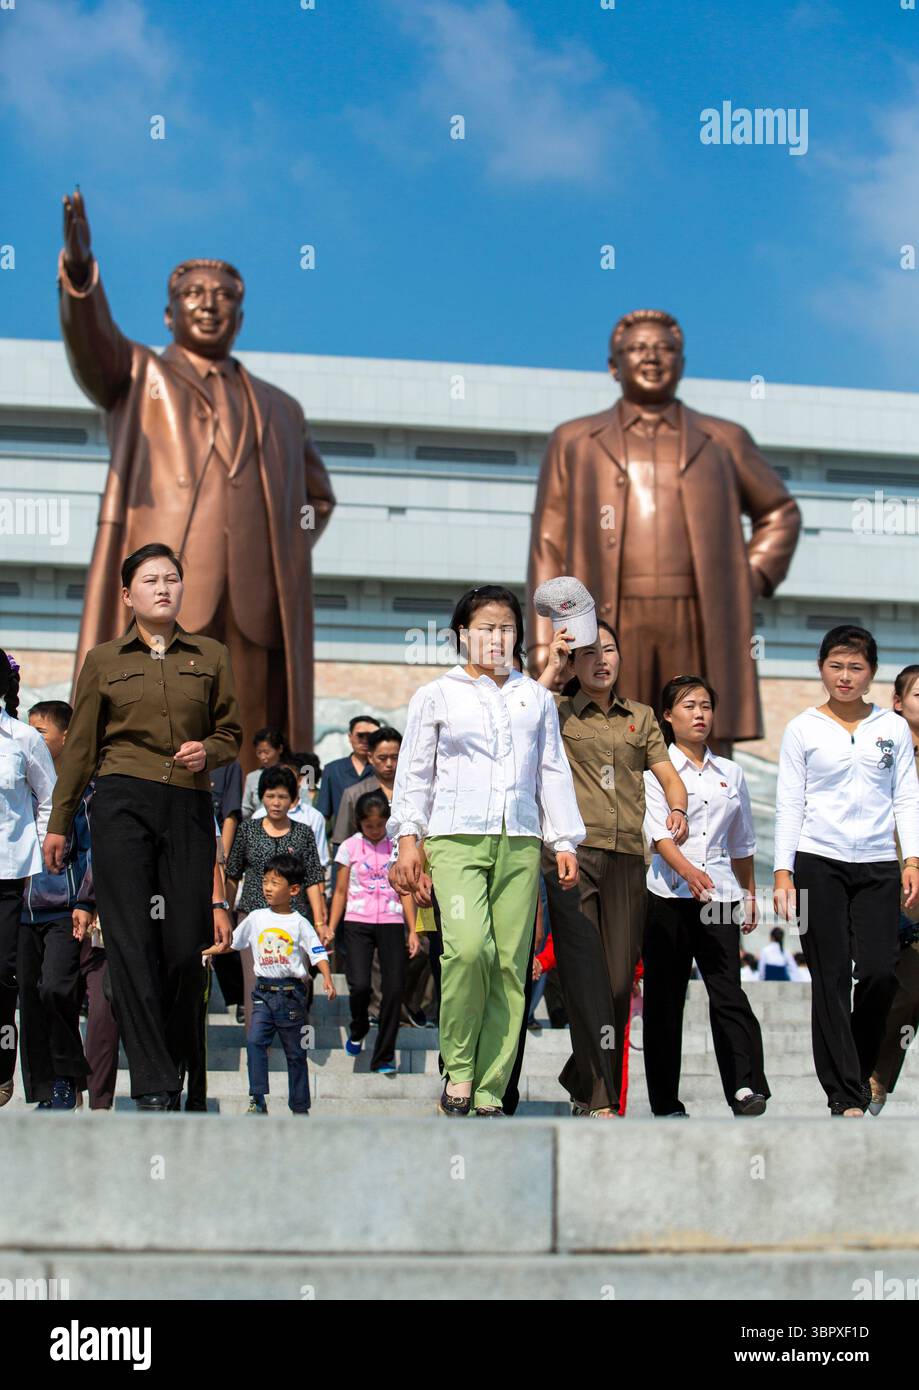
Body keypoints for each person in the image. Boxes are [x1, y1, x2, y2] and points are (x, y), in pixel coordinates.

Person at [43, 543, 242, 1112]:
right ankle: (154, 1083)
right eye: (150, 580)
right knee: (129, 944)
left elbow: (232, 732)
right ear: (128, 594)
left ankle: (174, 1060)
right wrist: (60, 821)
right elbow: (80, 747)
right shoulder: (104, 660)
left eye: (172, 578)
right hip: (120, 802)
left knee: (182, 948)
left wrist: (210, 750)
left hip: (186, 803)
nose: (163, 587)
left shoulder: (212, 654)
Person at [389, 584, 584, 1117]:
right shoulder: (436, 695)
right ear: (462, 636)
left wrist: (563, 840)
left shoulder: (535, 697)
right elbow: (415, 773)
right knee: (469, 949)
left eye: (506, 628)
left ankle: (491, 1090)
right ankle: (458, 1068)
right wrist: (409, 839)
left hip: (520, 842)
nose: (496, 638)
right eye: (486, 628)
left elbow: (551, 771)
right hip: (453, 838)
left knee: (508, 965)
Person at [537, 606, 689, 1116]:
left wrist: (677, 806)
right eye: (588, 653)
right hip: (571, 858)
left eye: (609, 650)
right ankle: (597, 1096)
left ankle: (581, 1071)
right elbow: (521, 712)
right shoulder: (553, 709)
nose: (602, 660)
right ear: (573, 661)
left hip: (627, 860)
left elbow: (668, 772)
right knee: (586, 980)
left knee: (620, 981)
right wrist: (553, 664)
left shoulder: (642, 717)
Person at [773, 626, 919, 1117]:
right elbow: (790, 801)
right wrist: (782, 871)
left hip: (878, 864)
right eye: (836, 666)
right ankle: (843, 1092)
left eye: (856, 667)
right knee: (830, 977)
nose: (845, 676)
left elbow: (906, 798)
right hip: (818, 863)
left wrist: (911, 860)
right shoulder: (802, 729)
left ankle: (854, 1066)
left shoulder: (892, 729)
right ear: (821, 669)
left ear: (872, 674)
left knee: (879, 973)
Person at [642, 674, 769, 1117]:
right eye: (689, 706)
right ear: (668, 716)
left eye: (706, 706)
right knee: (664, 999)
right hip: (667, 896)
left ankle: (745, 1087)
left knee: (727, 991)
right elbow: (658, 833)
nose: (699, 714)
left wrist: (750, 894)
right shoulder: (656, 771)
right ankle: (665, 1102)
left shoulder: (730, 773)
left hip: (720, 896)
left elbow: (743, 842)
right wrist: (687, 871)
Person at [213, 853, 335, 1114]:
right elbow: (232, 943)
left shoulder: (299, 922)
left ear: (293, 890)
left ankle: (300, 1107)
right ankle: (257, 1098)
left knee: (296, 1053)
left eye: (275, 883)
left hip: (291, 996)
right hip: (263, 994)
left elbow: (317, 952)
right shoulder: (256, 917)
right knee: (255, 1041)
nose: (267, 887)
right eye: (265, 881)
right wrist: (207, 952)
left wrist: (326, 977)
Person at [19, 701, 93, 1110]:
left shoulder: (79, 793)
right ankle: (45, 1090)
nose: (34, 737)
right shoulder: (18, 788)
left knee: (56, 989)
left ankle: (68, 1076)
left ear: (66, 737)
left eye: (42, 731)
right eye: (29, 729)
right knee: (28, 996)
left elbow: (92, 852)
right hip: (19, 908)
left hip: (63, 908)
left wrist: (85, 900)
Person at [324, 790, 420, 1075]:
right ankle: (359, 1025)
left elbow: (405, 891)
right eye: (369, 826)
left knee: (393, 989)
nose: (375, 831)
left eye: (380, 825)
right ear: (359, 823)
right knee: (361, 985)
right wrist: (330, 926)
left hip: (391, 922)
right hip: (357, 922)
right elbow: (340, 891)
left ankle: (384, 1056)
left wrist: (413, 930)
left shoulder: (395, 847)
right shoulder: (349, 847)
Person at [226, 764, 326, 1034]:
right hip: (254, 917)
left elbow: (314, 878)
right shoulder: (247, 831)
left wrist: (320, 922)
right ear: (262, 797)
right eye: (270, 796)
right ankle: (257, 1042)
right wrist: (223, 913)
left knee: (296, 979)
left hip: (294, 919)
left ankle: (295, 1037)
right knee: (253, 982)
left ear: (294, 799)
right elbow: (232, 874)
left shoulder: (303, 832)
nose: (276, 802)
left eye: (283, 796)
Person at [0, 654, 57, 1108]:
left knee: (3, 974)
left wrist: (37, 854)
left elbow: (49, 800)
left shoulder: (22, 739)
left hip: (8, 874)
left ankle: (1, 1071)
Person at [870, 663, 919, 1113]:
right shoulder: (884, 750)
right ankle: (875, 1074)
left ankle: (879, 1075)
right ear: (898, 703)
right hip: (894, 879)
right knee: (900, 986)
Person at [252, 750, 329, 869]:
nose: (283, 781)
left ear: (299, 780)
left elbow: (319, 864)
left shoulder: (313, 817)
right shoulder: (258, 817)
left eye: (288, 777)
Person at [332, 727, 402, 846]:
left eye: (395, 757)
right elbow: (342, 841)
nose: (389, 764)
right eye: (382, 758)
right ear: (370, 757)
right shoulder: (353, 794)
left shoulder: (412, 792)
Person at [316, 715, 381, 830]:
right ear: (350, 737)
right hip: (343, 840)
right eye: (360, 735)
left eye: (370, 736)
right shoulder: (333, 770)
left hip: (379, 840)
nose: (365, 740)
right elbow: (322, 814)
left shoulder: (384, 770)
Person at [241, 728, 288, 819]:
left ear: (280, 749)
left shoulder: (291, 774)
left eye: (266, 752)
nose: (263, 757)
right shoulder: (251, 777)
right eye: (259, 752)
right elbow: (246, 809)